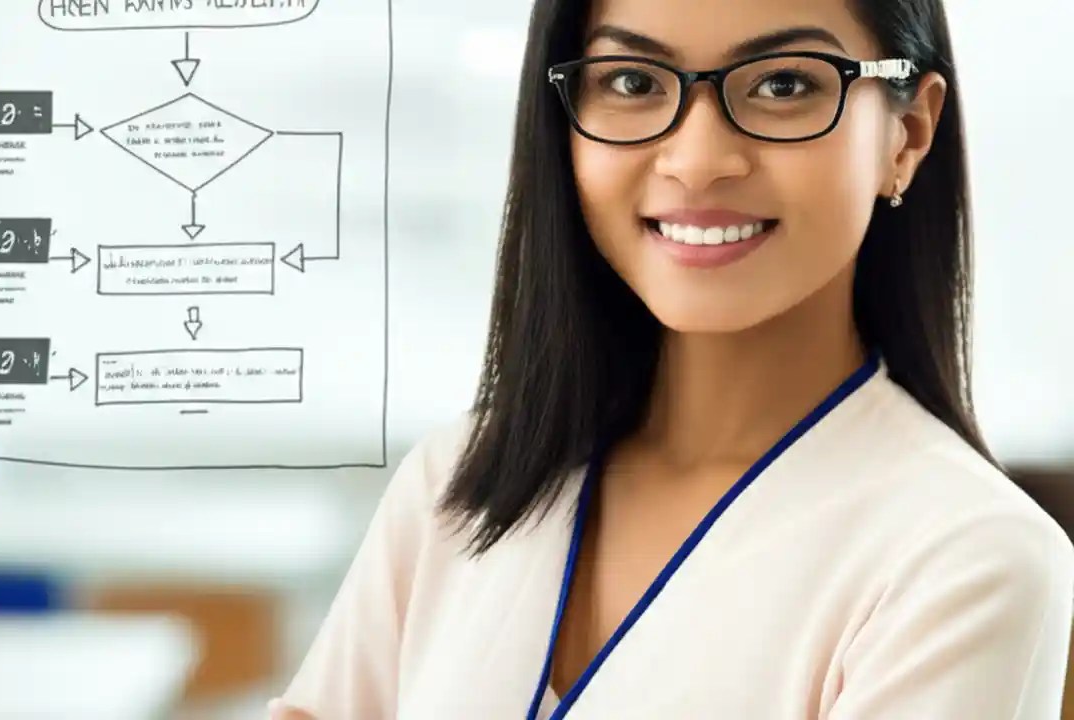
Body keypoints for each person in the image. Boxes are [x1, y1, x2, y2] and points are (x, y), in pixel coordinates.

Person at [271, 0, 1074, 716]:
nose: (697, 161)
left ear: (908, 133)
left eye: (785, 84)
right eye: (631, 83)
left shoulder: (971, 559)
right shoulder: (457, 479)